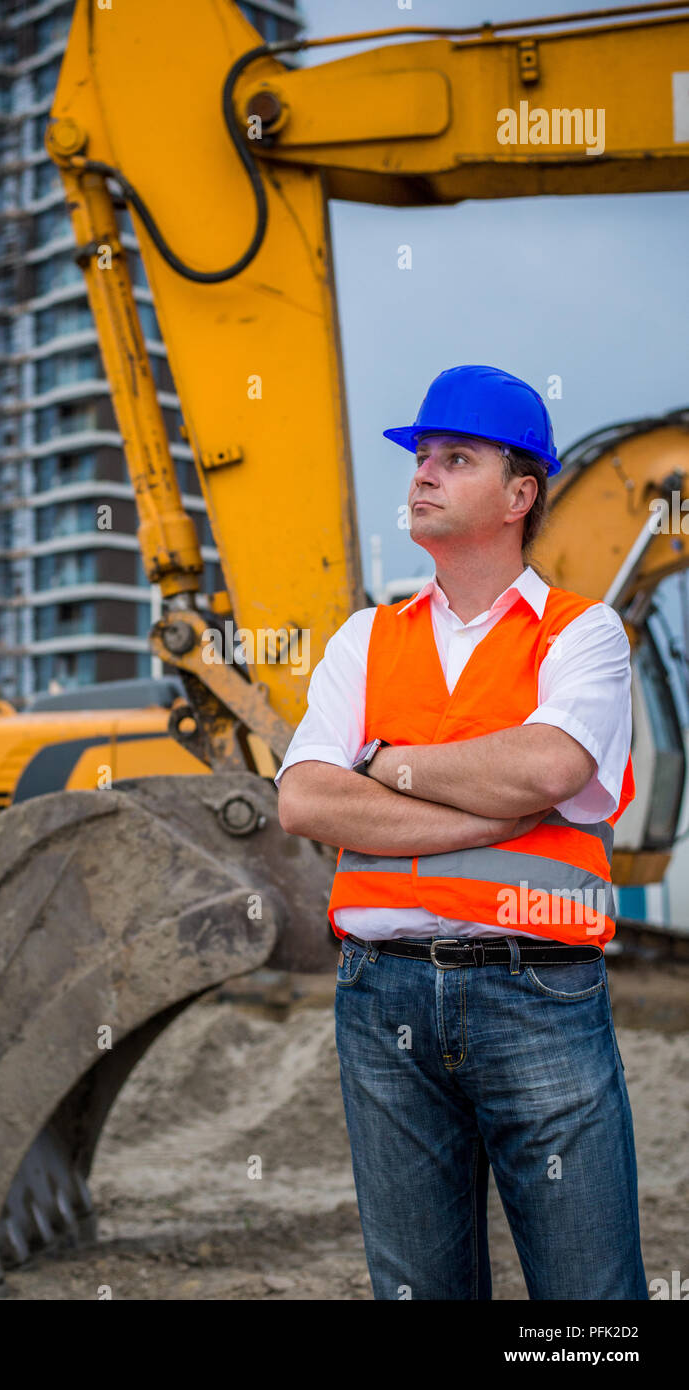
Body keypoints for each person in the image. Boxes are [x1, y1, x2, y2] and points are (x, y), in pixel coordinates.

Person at [275, 364, 647, 1301]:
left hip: (538, 996)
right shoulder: (365, 638)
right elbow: (305, 802)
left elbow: (549, 771)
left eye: (456, 458)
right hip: (380, 999)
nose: (423, 474)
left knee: (589, 1302)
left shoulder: (583, 634)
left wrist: (384, 761)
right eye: (421, 457)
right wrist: (478, 802)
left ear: (520, 493)